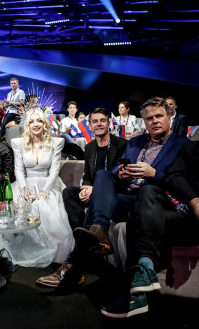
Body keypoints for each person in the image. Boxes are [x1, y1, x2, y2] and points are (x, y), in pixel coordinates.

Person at [101, 96, 199, 318]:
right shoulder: (195, 148)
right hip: (186, 213)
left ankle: (133, 294)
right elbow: (173, 176)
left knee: (140, 216)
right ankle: (142, 276)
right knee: (146, 197)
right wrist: (196, 202)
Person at [37, 97, 188, 289]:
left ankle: (75, 264)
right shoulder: (135, 143)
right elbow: (113, 170)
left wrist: (154, 174)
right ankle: (97, 232)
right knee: (97, 179)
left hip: (152, 200)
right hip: (124, 195)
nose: (154, 121)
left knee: (100, 191)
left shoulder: (182, 144)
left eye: (159, 116)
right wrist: (121, 174)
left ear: (169, 117)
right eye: (149, 118)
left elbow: (181, 179)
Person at [0, 109, 74, 267]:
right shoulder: (18, 143)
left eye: (39, 121)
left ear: (44, 124)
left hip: (48, 183)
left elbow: (54, 170)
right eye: (31, 121)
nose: (35, 124)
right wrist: (24, 188)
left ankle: (51, 251)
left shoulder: (56, 142)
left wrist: (45, 190)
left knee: (43, 204)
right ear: (27, 125)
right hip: (26, 183)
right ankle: (24, 249)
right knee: (22, 204)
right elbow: (18, 169)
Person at [61, 108, 128, 233]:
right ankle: (80, 230)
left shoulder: (122, 144)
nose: (99, 124)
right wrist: (86, 189)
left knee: (101, 180)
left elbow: (123, 177)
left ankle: (89, 238)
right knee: (69, 192)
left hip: (113, 193)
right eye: (95, 121)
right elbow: (87, 176)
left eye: (102, 121)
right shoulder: (89, 147)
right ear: (90, 126)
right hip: (94, 192)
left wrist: (95, 189)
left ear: (108, 124)